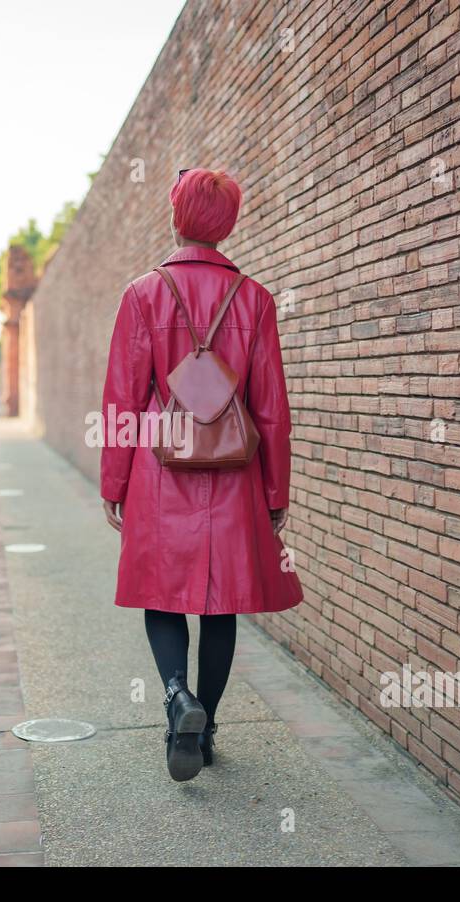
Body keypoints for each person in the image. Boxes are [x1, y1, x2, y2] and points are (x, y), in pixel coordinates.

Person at [99, 167, 303, 782]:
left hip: (162, 474)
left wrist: (114, 483)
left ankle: (176, 701)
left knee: (162, 597)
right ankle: (205, 728)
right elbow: (271, 407)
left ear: (177, 217)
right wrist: (276, 493)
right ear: (228, 222)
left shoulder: (142, 294)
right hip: (237, 475)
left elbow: (122, 398)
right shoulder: (256, 298)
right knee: (220, 606)